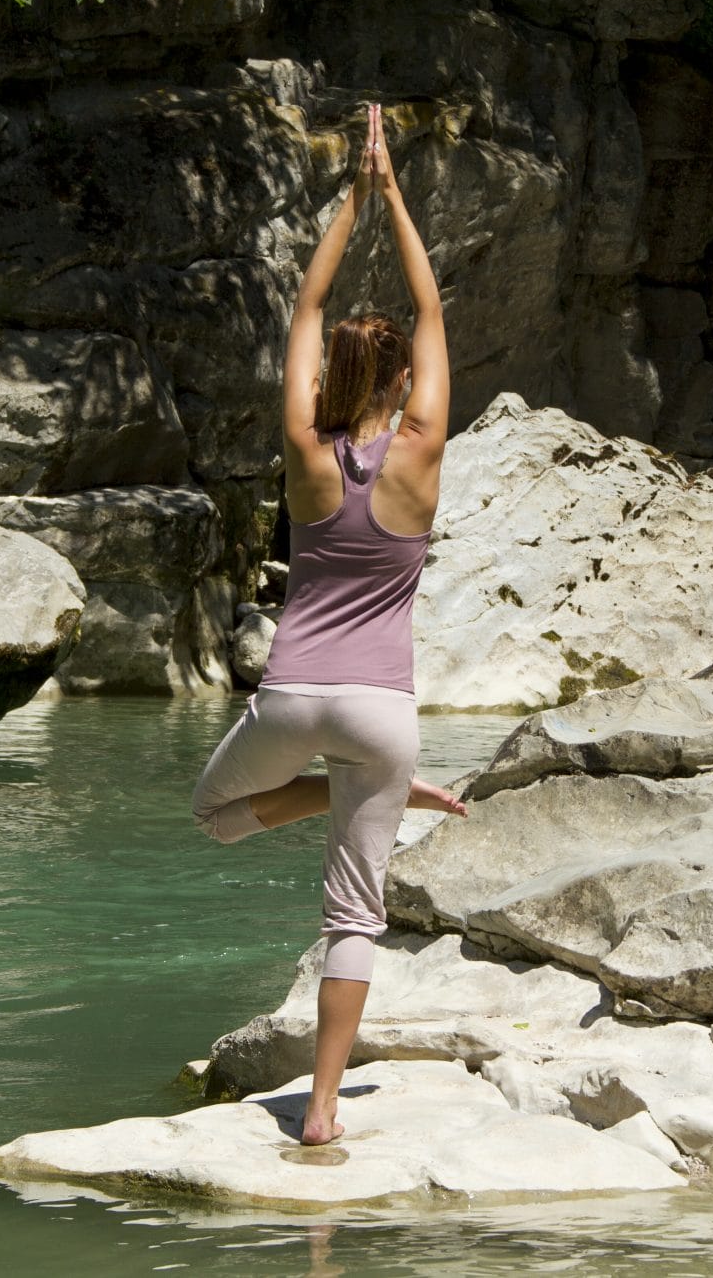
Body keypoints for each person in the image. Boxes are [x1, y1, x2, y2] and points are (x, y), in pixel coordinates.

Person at [190, 102, 463, 1147]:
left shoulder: (305, 453)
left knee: (216, 813)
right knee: (352, 918)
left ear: (324, 382)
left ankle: (362, 785)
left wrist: (346, 203)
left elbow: (303, 308)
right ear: (397, 383)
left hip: (293, 698)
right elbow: (432, 317)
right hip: (382, 713)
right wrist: (395, 197)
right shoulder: (421, 451)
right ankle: (319, 1112)